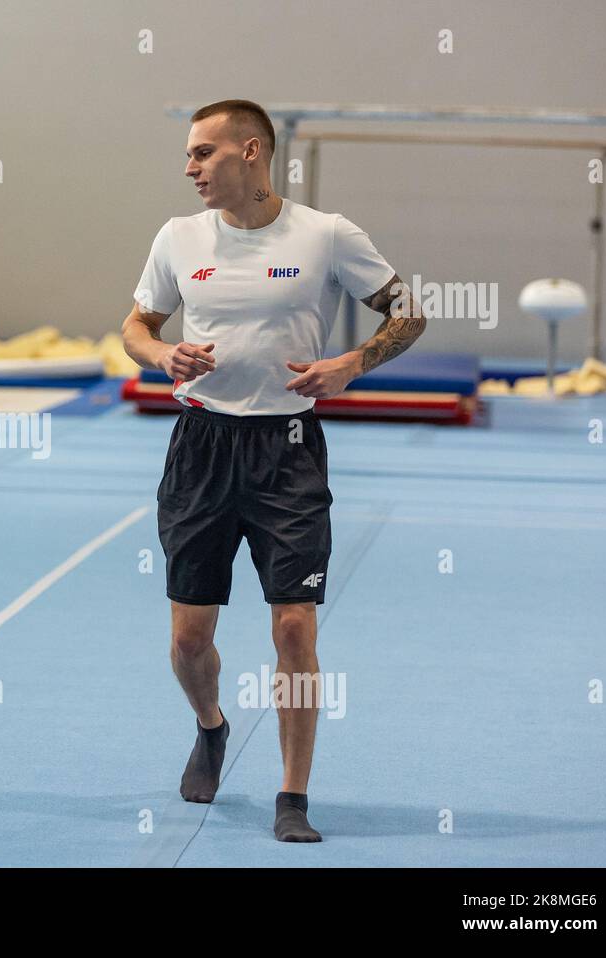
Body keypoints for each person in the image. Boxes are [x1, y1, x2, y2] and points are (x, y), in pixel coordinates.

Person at [121, 99, 425, 842]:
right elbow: (135, 327)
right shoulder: (178, 237)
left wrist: (355, 361)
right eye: (190, 155)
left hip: (287, 453)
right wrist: (161, 355)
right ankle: (211, 724)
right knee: (190, 639)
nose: (190, 168)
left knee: (293, 627)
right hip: (201, 450)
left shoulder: (324, 235)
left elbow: (410, 311)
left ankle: (293, 796)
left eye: (204, 153)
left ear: (251, 153)